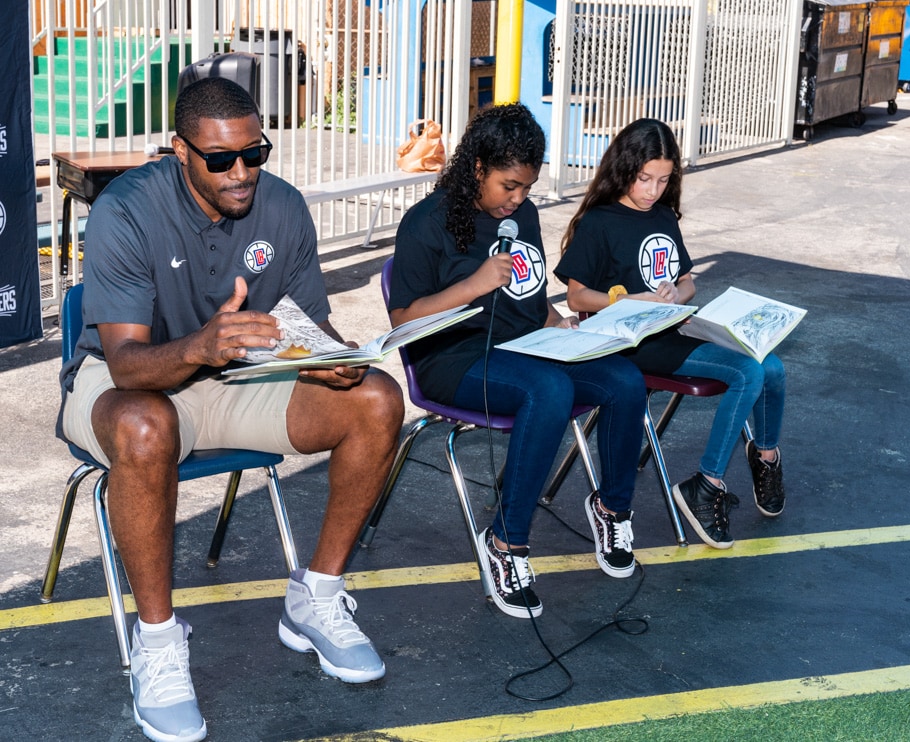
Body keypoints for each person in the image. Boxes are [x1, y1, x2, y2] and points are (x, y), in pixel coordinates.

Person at [56, 77, 405, 742]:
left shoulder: (283, 207)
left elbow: (307, 324)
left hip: (244, 380)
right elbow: (128, 364)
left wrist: (330, 358)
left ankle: (317, 597)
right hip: (132, 384)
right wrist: (202, 344)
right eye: (221, 160)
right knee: (142, 423)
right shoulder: (126, 210)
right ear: (180, 152)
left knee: (377, 400)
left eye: (255, 153)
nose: (241, 172)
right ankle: (157, 645)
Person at [388, 102, 647, 620]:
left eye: (527, 187)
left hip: (526, 345)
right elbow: (401, 321)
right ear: (478, 168)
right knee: (547, 391)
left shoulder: (521, 216)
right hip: (453, 358)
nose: (519, 198)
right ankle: (507, 543)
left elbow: (527, 295)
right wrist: (471, 285)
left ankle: (612, 508)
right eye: (509, 185)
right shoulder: (427, 223)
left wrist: (563, 328)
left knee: (623, 377)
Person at [555, 117, 787, 551]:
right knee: (747, 374)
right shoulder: (600, 222)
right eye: (645, 179)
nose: (654, 190)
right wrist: (632, 301)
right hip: (630, 341)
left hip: (672, 326)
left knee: (771, 365)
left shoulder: (662, 215)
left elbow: (688, 281)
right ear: (624, 170)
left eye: (663, 180)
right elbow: (577, 298)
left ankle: (766, 456)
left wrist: (676, 295)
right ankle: (707, 484)